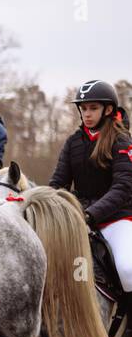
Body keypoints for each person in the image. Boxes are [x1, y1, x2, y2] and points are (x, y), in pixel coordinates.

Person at [49, 79, 132, 321]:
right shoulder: (73, 142)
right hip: (80, 219)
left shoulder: (122, 141)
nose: (87, 114)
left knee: (127, 269)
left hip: (117, 219)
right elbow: (58, 183)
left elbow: (122, 188)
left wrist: (90, 214)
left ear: (108, 109)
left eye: (93, 108)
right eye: (83, 108)